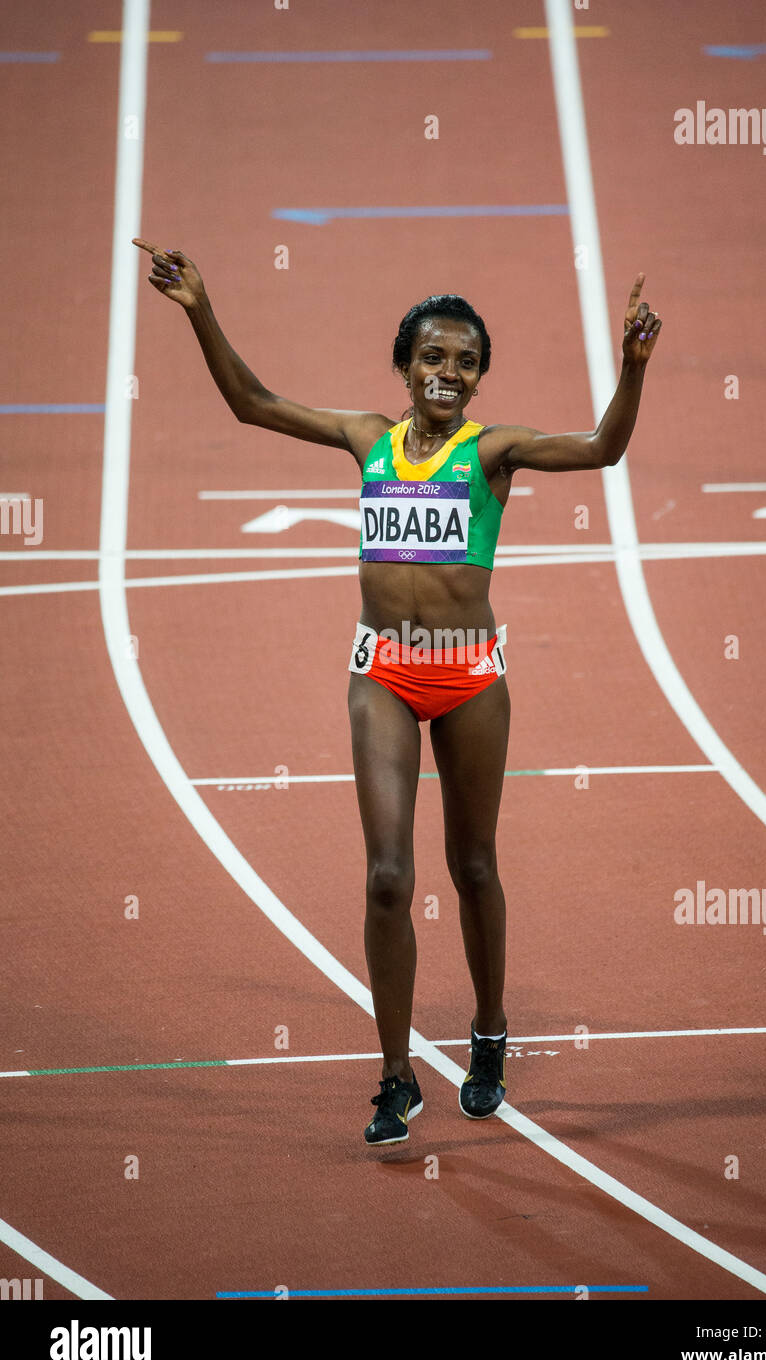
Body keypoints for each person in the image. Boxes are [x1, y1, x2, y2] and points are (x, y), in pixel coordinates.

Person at [132, 238, 661, 1145]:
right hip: (382, 669)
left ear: (480, 380)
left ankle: (489, 1033)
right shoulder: (364, 437)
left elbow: (605, 449)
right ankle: (393, 1077)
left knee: (474, 866)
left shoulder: (494, 451)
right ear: (405, 367)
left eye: (465, 361)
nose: (447, 371)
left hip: (467, 674)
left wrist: (631, 363)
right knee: (386, 878)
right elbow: (253, 404)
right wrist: (199, 310)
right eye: (432, 356)